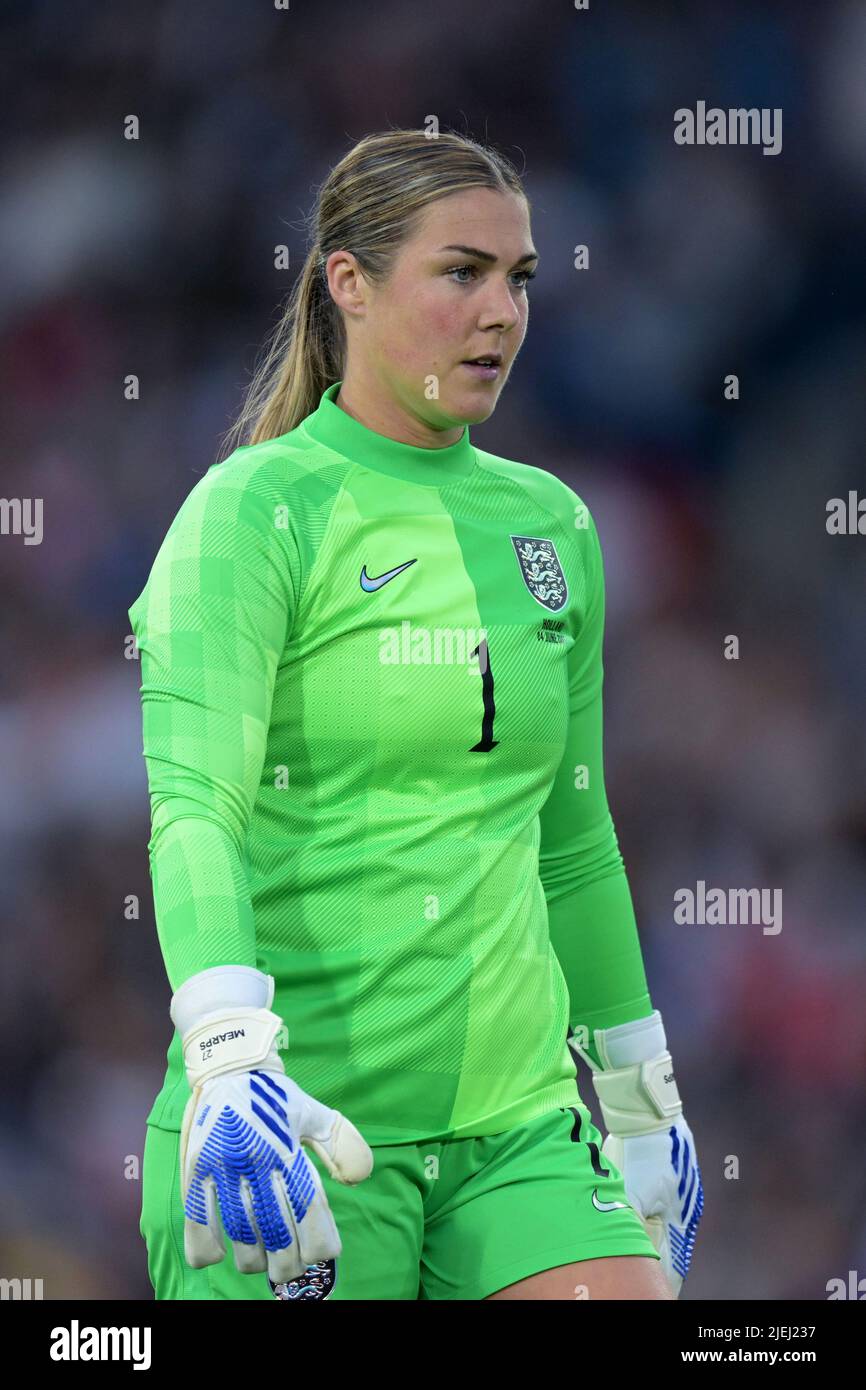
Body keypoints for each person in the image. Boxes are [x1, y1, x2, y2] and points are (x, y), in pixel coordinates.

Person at [130, 127, 702, 1301]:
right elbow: (197, 809)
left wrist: (639, 1085)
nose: (501, 311)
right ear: (347, 282)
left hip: (519, 1131)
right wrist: (227, 1052)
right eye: (461, 272)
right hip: (298, 1129)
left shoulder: (554, 528)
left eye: (519, 278)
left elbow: (573, 838)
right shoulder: (251, 514)